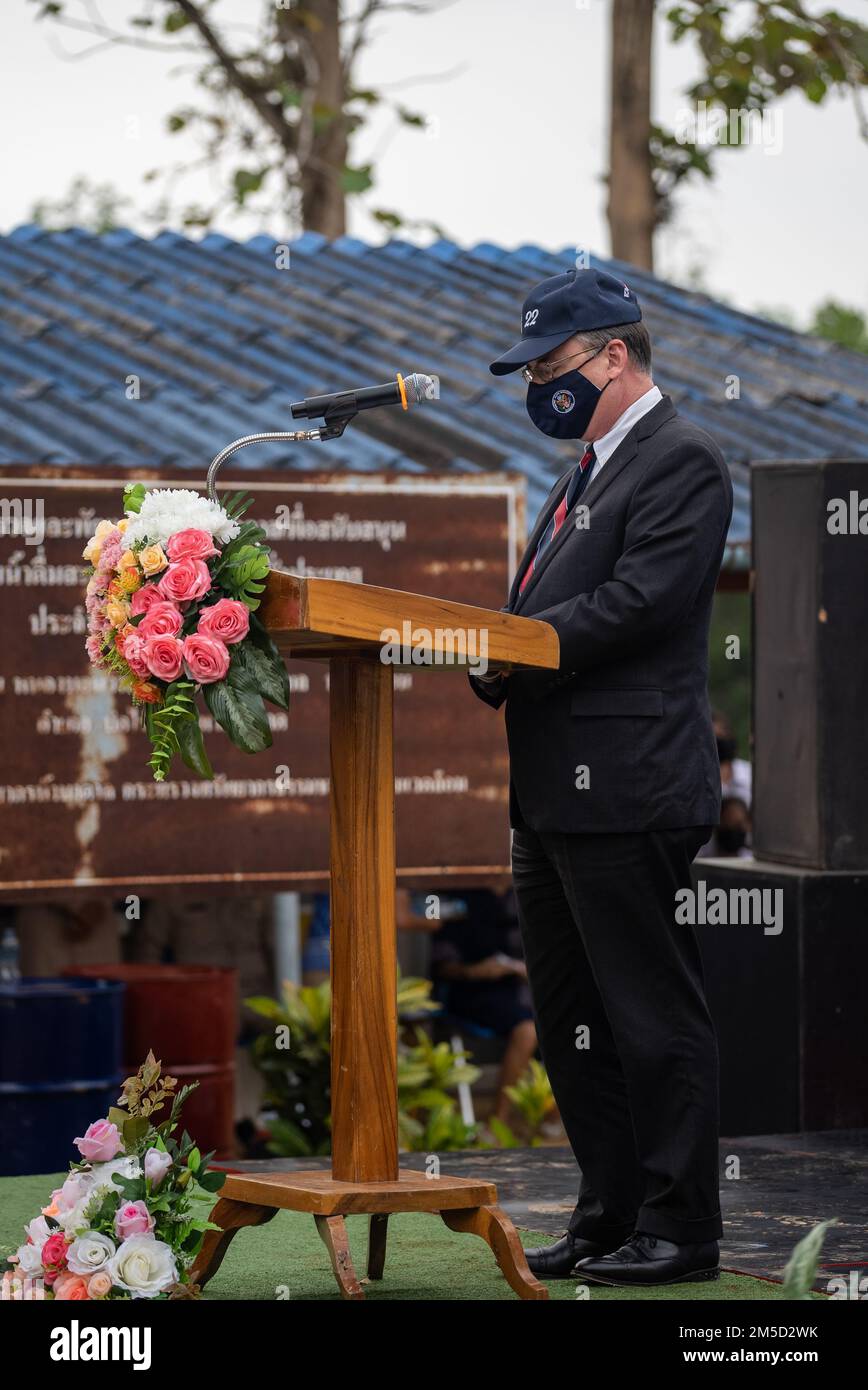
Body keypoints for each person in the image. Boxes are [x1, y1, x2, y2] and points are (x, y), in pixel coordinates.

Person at [469, 267, 733, 1287]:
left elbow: (639, 604)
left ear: (614, 355)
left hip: (626, 789)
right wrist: (497, 643)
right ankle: (607, 1214)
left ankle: (681, 1227)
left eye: (551, 366)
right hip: (550, 798)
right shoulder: (584, 470)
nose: (540, 385)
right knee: (575, 1019)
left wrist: (514, 641)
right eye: (531, 370)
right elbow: (551, 600)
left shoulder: (681, 461)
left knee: (649, 1015)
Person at [428, 889, 538, 1126]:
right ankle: (497, 1121)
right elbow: (442, 965)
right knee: (528, 1030)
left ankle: (553, 1119)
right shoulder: (461, 897)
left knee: (574, 1024)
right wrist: (474, 971)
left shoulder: (524, 892)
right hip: (472, 993)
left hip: (522, 990)